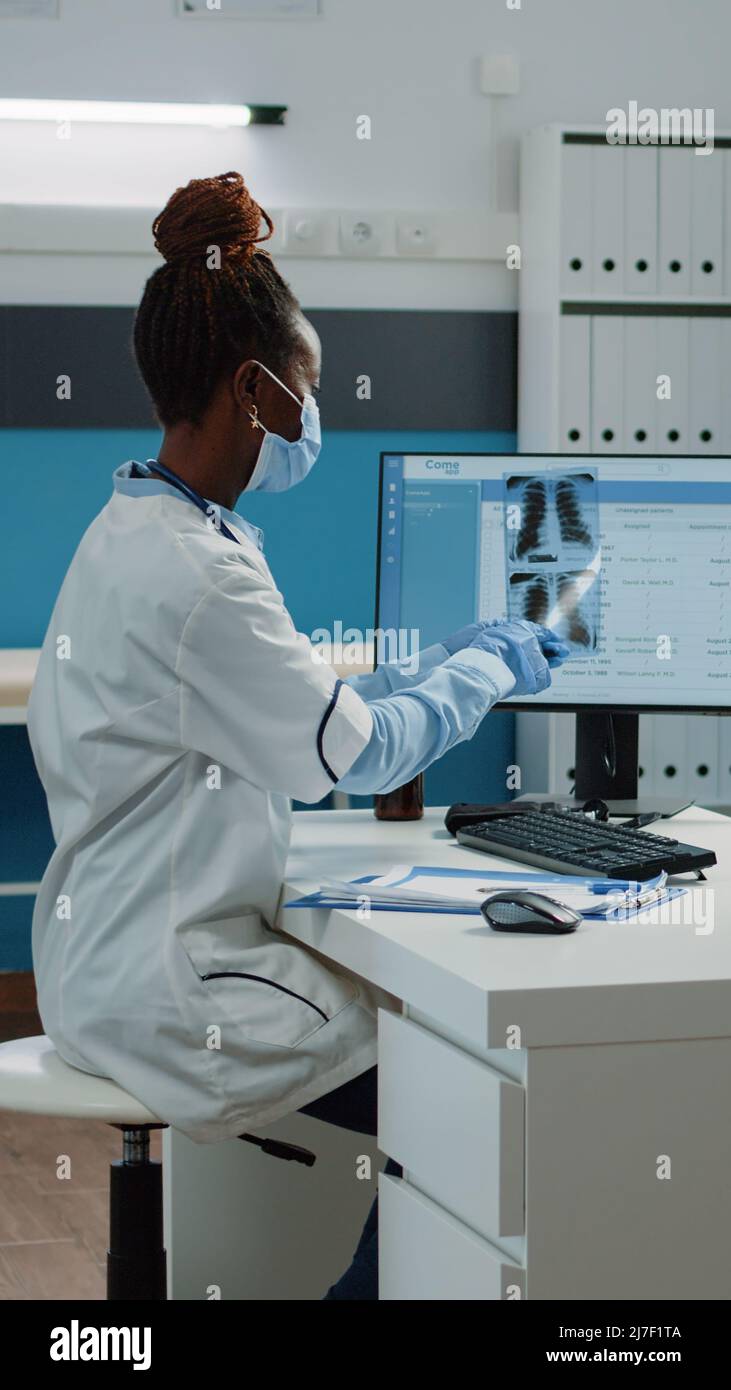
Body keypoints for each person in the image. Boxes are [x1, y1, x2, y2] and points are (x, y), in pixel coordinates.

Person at [27, 171, 569, 1300]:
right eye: (307, 393)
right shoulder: (197, 574)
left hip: (100, 963)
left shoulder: (134, 528)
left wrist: (420, 669)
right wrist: (487, 663)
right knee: (466, 1083)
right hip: (170, 994)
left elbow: (283, 711)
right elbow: (355, 755)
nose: (314, 419)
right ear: (254, 389)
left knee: (440, 1070)